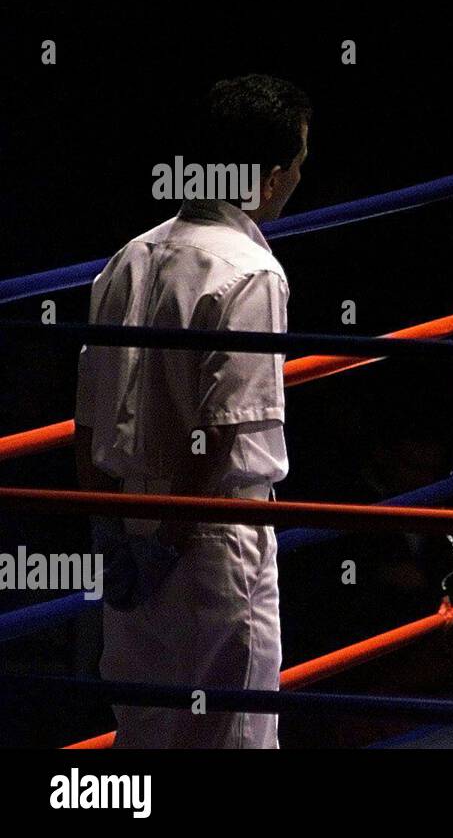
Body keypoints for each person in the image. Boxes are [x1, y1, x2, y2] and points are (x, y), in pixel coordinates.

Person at [73, 73, 311, 748]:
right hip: (209, 532)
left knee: (145, 728)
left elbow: (88, 418)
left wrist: (109, 535)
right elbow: (222, 431)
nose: (298, 180)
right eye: (296, 166)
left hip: (126, 512)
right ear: (267, 180)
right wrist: (170, 546)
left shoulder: (129, 256)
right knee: (230, 734)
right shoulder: (250, 271)